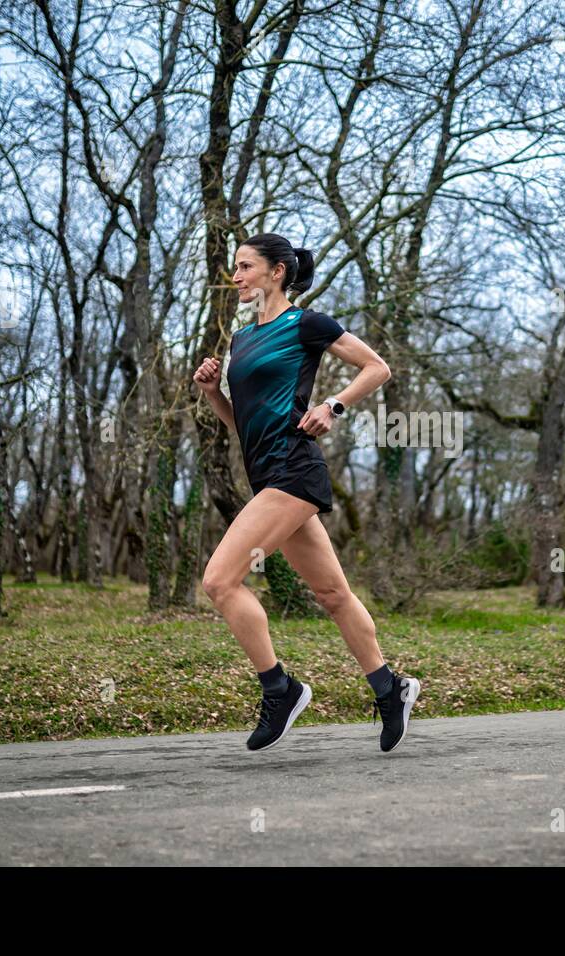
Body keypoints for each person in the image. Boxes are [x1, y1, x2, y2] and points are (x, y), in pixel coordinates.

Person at [191, 232, 421, 753]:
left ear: (276, 272)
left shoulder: (306, 323)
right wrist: (212, 393)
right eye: (235, 267)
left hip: (293, 472)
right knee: (333, 594)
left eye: (245, 266)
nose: (237, 275)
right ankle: (391, 690)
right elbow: (240, 424)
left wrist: (333, 406)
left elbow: (376, 367)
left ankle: (281, 689)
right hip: (266, 473)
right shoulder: (242, 341)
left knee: (220, 581)